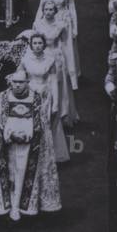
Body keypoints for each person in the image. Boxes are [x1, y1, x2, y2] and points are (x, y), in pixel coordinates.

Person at [0, 70, 61, 221]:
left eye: (21, 82)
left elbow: (41, 123)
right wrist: (10, 134)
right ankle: (9, 205)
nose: (18, 85)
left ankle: (20, 206)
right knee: (10, 173)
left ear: (27, 83)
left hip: (28, 144)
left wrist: (27, 135)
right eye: (15, 82)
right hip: (8, 143)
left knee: (23, 173)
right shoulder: (4, 97)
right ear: (11, 82)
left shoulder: (36, 98)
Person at [17, 31, 70, 162]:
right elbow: (19, 78)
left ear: (44, 45)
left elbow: (53, 83)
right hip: (29, 96)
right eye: (34, 43)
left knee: (44, 124)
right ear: (31, 45)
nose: (37, 46)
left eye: (40, 43)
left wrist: (56, 103)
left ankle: (44, 154)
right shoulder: (25, 60)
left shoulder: (50, 61)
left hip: (45, 95)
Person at [37, 0, 81, 89]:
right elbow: (41, 7)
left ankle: (69, 77)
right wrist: (37, 22)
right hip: (49, 20)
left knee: (66, 47)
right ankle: (48, 73)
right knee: (50, 45)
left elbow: (72, 9)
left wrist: (75, 28)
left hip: (64, 19)